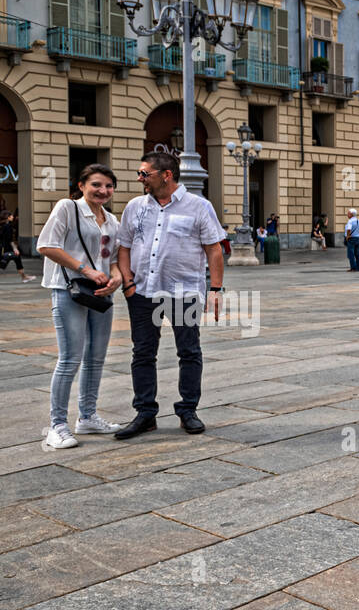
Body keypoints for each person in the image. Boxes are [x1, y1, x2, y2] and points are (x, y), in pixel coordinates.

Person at [114, 150, 224, 439]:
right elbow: (123, 246)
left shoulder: (198, 206)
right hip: (142, 293)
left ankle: (188, 410)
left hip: (183, 292)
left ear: (167, 175)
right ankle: (145, 413)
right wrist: (128, 283)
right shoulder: (135, 206)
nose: (140, 179)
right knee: (143, 352)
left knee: (188, 351)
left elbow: (214, 249)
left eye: (144, 174)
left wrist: (215, 289)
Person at [35, 163, 124, 448]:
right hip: (69, 290)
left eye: (109, 186)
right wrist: (85, 270)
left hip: (101, 292)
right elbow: (46, 246)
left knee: (96, 357)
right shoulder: (67, 208)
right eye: (96, 184)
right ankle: (57, 425)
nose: (103, 190)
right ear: (81, 185)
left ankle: (87, 417)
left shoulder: (111, 220)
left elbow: (111, 260)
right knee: (70, 358)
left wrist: (117, 278)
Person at [0, 209, 37, 282]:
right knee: (5, 262)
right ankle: (24, 277)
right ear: (7, 217)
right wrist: (15, 248)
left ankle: (24, 277)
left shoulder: (3, 225)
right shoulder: (8, 226)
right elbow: (10, 240)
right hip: (6, 248)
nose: (13, 216)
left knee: (16, 259)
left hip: (4, 247)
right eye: (11, 216)